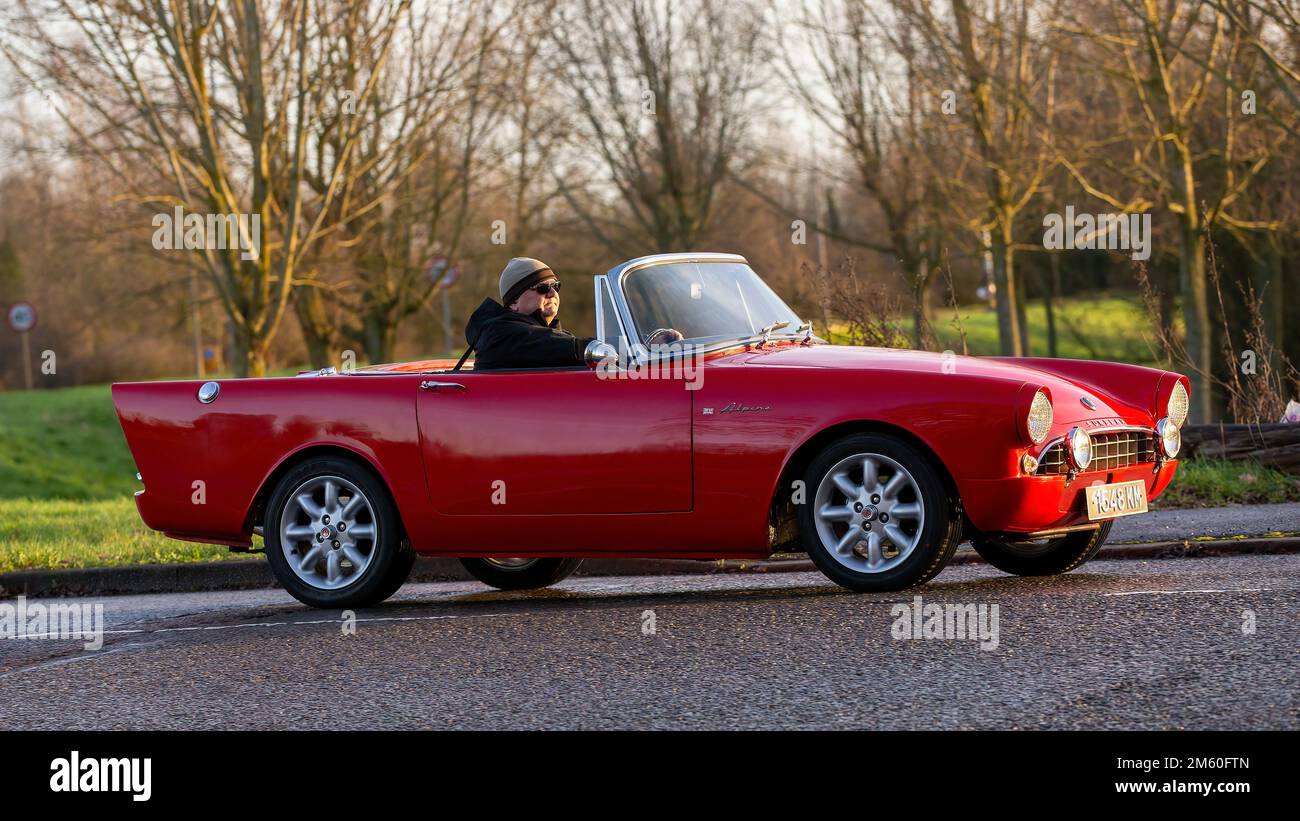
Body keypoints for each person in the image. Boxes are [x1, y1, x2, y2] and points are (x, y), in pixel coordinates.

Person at [463, 257, 595, 371]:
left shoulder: (555, 337)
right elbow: (548, 345)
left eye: (556, 286)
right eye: (542, 288)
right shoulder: (501, 335)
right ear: (514, 302)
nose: (552, 293)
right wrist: (595, 349)